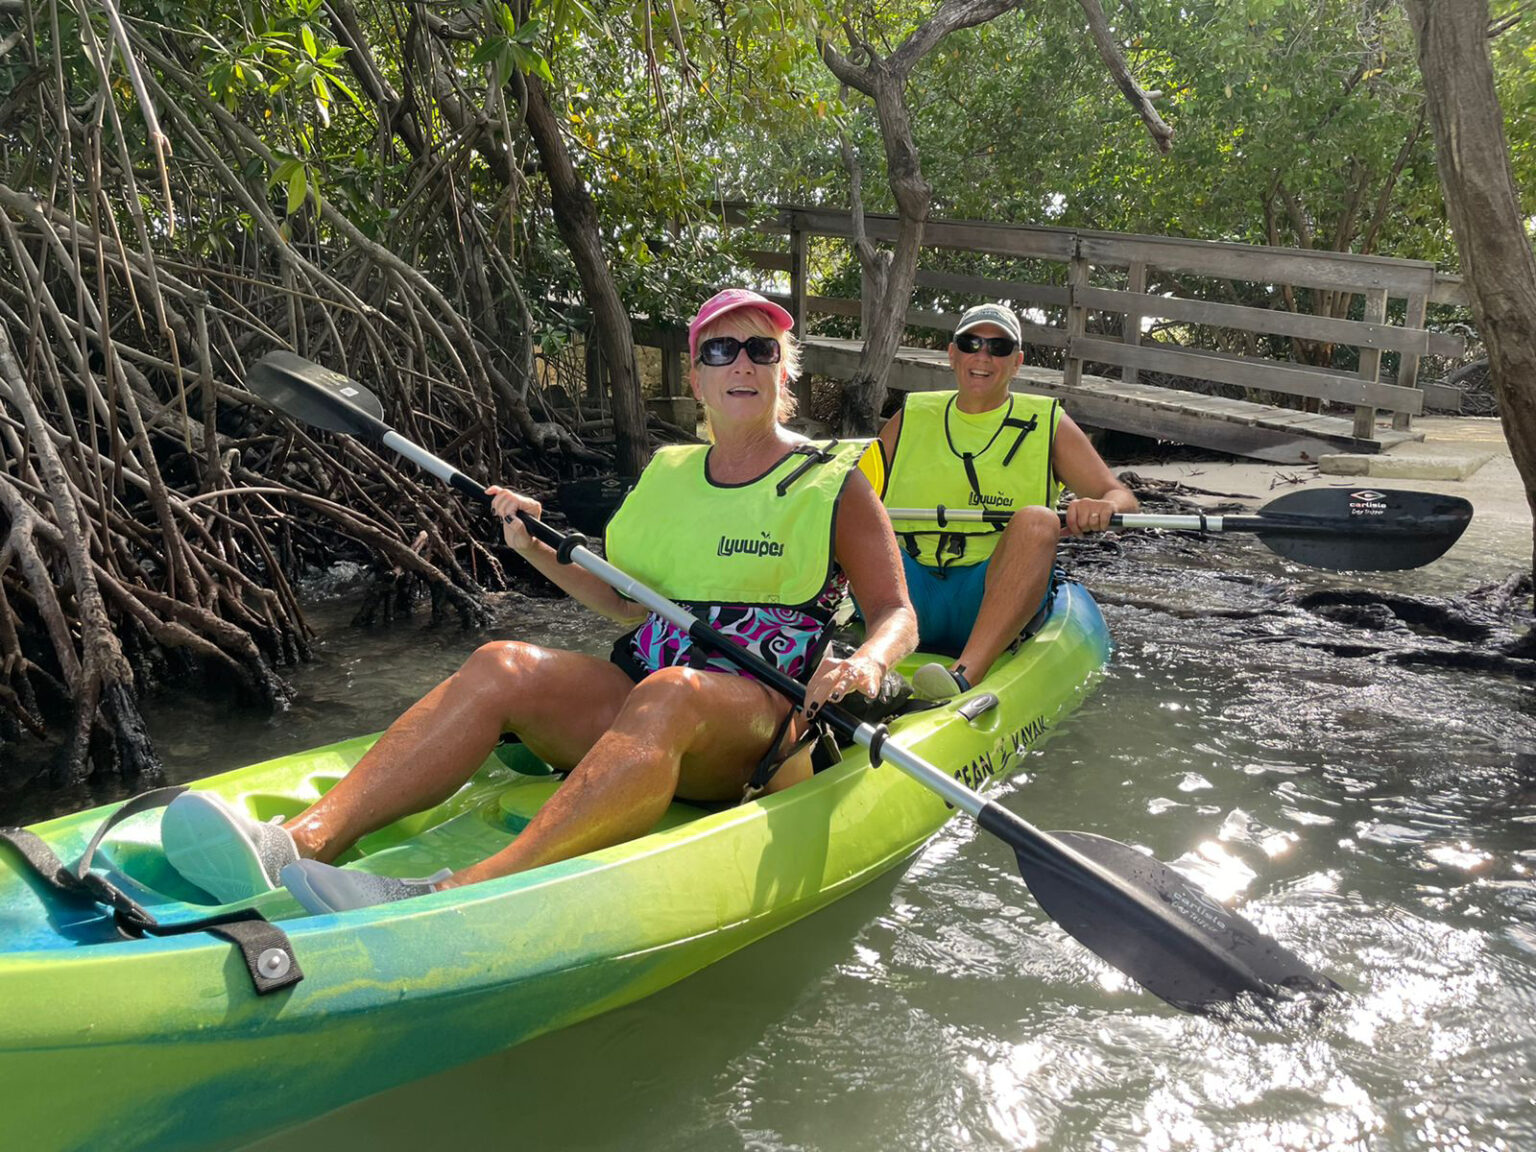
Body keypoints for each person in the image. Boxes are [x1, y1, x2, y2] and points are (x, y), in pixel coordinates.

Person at [161, 289, 917, 913]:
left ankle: (466, 890)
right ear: (696, 378)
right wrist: (529, 545)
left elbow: (896, 614)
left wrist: (867, 667)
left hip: (759, 724)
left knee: (671, 692)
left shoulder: (834, 482)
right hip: (652, 695)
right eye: (721, 350)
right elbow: (625, 606)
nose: (741, 364)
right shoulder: (669, 474)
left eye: (761, 349)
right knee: (501, 664)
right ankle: (300, 841)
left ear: (784, 372)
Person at [879, 302, 1137, 700]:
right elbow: (854, 492)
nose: (982, 356)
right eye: (971, 344)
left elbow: (1120, 495)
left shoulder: (1049, 422)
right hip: (908, 593)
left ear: (1016, 363)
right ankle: (862, 659)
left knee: (1037, 520)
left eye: (998, 348)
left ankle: (965, 675)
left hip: (986, 594)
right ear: (953, 354)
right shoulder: (910, 416)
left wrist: (1106, 507)